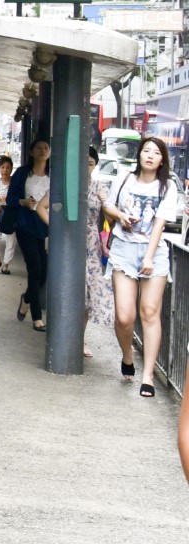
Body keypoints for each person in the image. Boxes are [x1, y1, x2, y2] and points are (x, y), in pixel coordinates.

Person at [103, 135, 181, 397]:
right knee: (125, 316)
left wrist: (148, 257)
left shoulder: (167, 186)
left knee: (149, 311)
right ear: (139, 155)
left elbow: (159, 224)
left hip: (153, 252)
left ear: (162, 160)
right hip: (124, 248)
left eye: (155, 153)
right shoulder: (124, 178)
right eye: (146, 151)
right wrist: (121, 216)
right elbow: (108, 206)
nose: (149, 155)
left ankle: (147, 376)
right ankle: (127, 355)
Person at [6, 138, 51, 330]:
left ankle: (26, 299)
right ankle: (36, 318)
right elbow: (10, 198)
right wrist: (23, 202)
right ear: (31, 152)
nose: (42, 150)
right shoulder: (23, 173)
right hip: (25, 224)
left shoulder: (53, 175)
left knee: (44, 272)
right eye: (38, 148)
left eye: (46, 148)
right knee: (35, 268)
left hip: (45, 226)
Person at [84, 144, 114, 360]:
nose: (86, 167)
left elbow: (108, 208)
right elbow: (43, 207)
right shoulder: (64, 185)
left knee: (88, 291)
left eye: (91, 163)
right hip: (69, 243)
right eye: (83, 163)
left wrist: (117, 215)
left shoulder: (100, 187)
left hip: (92, 243)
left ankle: (80, 337)